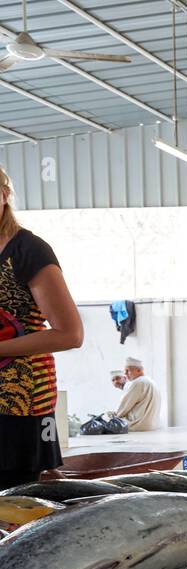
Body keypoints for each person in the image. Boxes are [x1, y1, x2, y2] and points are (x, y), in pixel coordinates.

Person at [0, 164, 83, 490]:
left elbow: (70, 333)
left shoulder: (28, 250)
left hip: (20, 403)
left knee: (14, 503)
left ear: (4, 195)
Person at [116, 357, 160, 431]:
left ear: (139, 370)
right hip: (152, 425)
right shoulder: (150, 381)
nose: (125, 373)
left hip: (137, 425)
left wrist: (112, 418)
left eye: (128, 370)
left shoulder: (138, 382)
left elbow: (124, 408)